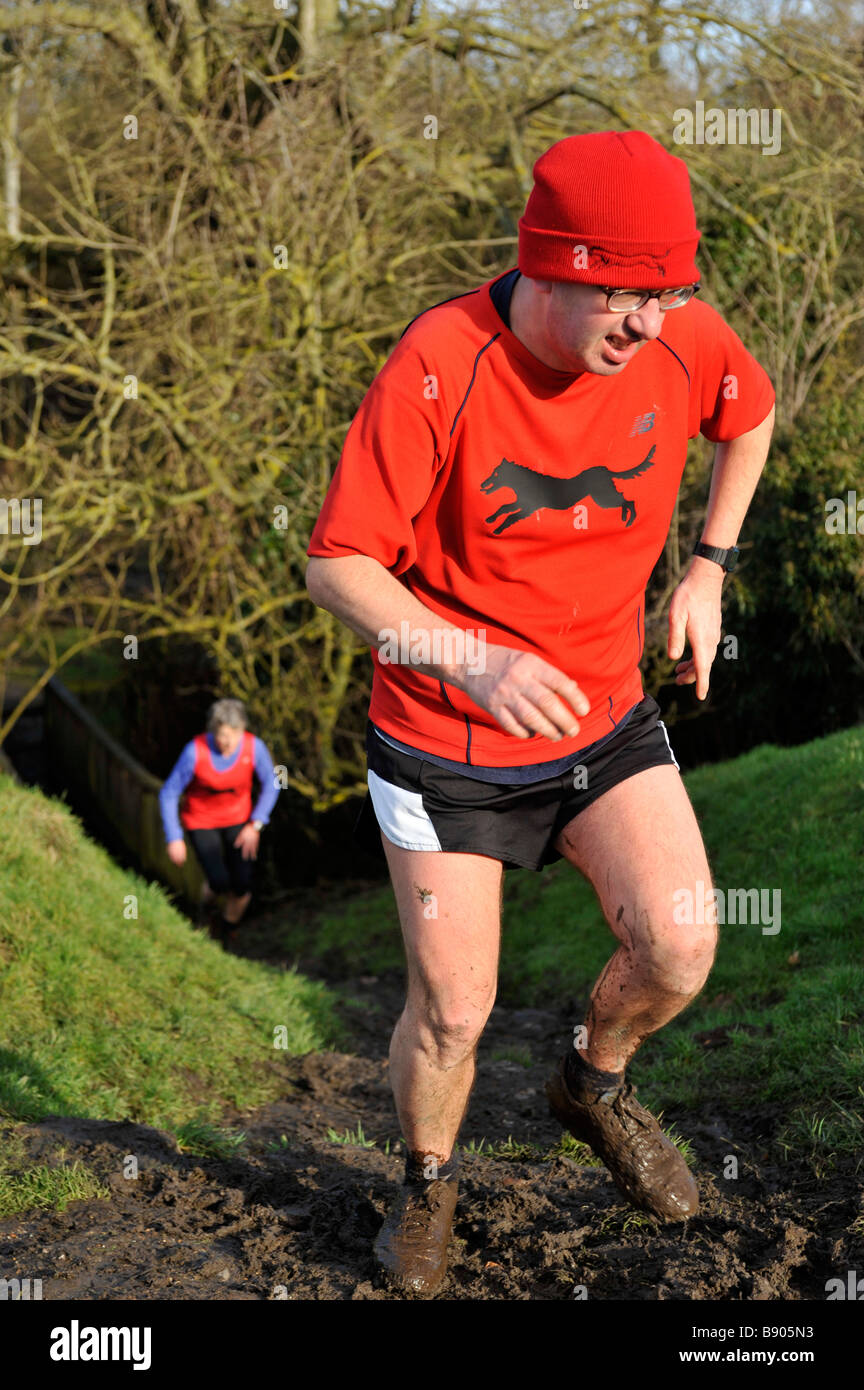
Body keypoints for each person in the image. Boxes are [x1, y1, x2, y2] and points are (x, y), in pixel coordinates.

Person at [305, 129, 776, 1296]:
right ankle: (425, 1187)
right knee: (456, 1013)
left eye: (670, 294)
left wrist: (708, 565)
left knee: (679, 943)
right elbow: (340, 566)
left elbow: (747, 410)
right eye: (625, 295)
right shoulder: (440, 362)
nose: (651, 324)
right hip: (446, 742)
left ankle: (593, 1080)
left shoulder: (678, 339)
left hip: (603, 717)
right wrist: (470, 662)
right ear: (552, 264)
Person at [159, 697, 279, 941]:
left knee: (243, 884)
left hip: (239, 821)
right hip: (201, 821)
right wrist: (174, 838)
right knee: (219, 881)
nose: (227, 742)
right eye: (222, 735)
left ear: (242, 731)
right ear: (212, 732)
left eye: (233, 735)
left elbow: (273, 783)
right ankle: (204, 913)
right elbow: (169, 793)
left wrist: (255, 824)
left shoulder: (254, 747)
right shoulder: (195, 751)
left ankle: (224, 932)